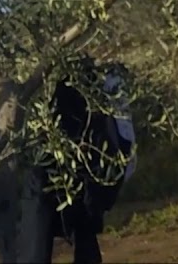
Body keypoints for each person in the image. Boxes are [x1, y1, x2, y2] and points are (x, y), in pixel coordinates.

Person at [44, 61, 137, 264]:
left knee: (81, 224)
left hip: (88, 171)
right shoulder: (102, 84)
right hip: (88, 172)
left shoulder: (103, 84)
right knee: (82, 224)